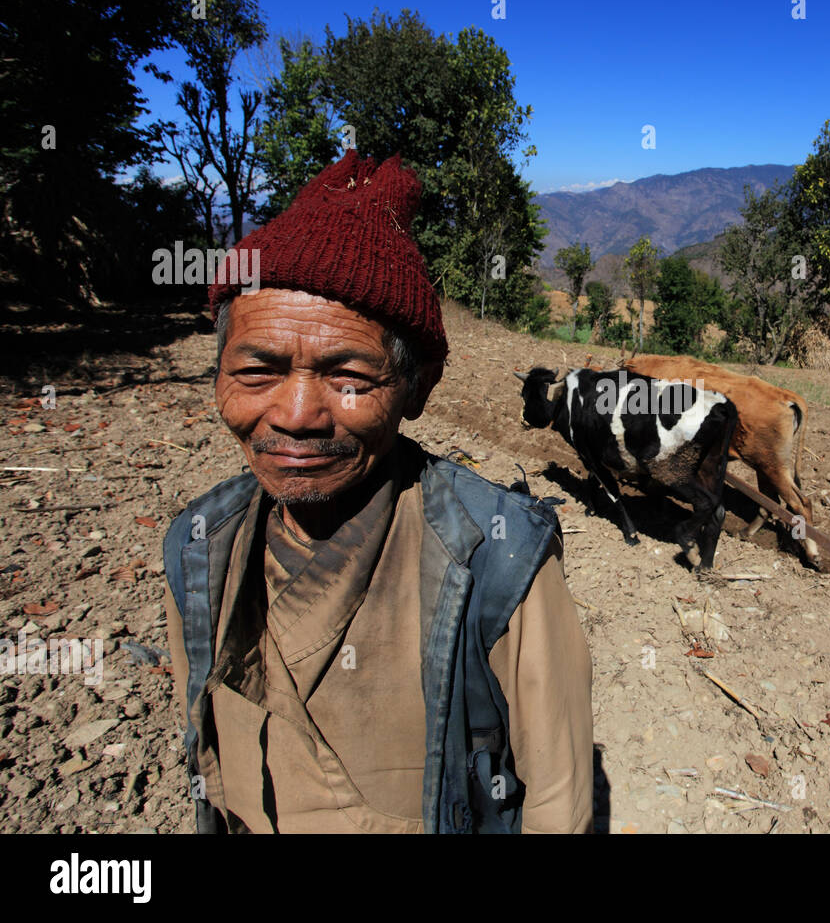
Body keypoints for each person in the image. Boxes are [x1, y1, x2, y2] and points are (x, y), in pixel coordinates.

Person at [161, 150, 593, 833]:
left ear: (416, 389)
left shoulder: (499, 562)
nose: (297, 414)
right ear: (218, 376)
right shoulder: (198, 545)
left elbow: (555, 806)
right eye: (257, 370)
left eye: (348, 376)